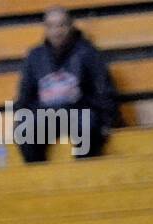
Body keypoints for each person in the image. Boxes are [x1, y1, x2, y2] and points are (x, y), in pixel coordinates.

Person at [15, 6, 117, 163]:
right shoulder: (35, 56)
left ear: (70, 26)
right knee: (25, 131)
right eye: (51, 26)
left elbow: (103, 91)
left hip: (80, 113)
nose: (56, 31)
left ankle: (83, 174)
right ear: (45, 29)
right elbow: (25, 96)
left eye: (61, 25)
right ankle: (40, 176)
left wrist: (107, 121)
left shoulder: (88, 53)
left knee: (88, 126)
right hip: (46, 116)